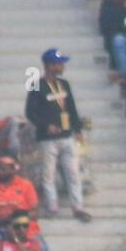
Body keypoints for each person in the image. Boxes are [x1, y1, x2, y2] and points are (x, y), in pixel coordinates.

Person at [25, 48, 92, 222]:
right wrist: (45, 125)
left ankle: (77, 207)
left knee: (73, 172)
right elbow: (30, 112)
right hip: (47, 139)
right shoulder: (36, 84)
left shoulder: (64, 84)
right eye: (58, 63)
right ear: (49, 65)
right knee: (49, 174)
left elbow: (71, 108)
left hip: (67, 135)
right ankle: (52, 206)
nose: (62, 66)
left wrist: (77, 129)